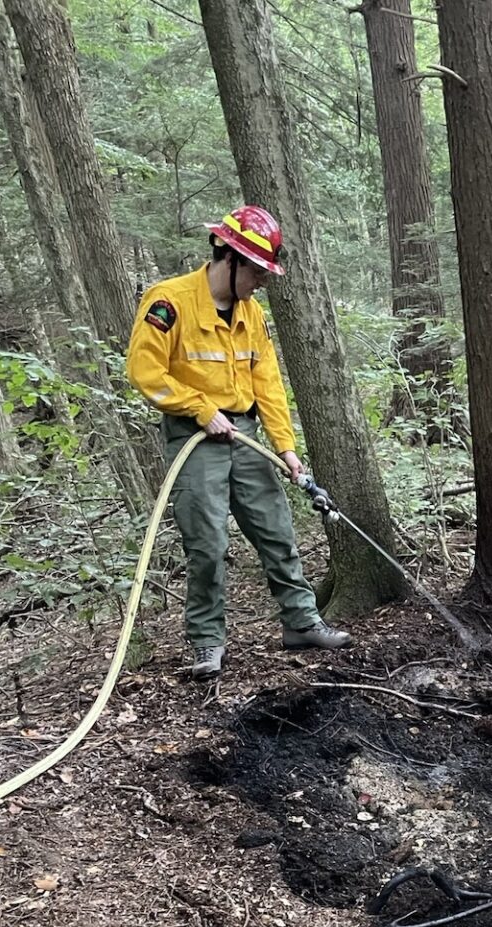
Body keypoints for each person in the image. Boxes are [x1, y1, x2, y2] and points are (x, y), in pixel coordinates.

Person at [126, 204, 350, 679]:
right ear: (229, 258)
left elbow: (267, 384)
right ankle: (207, 643)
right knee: (206, 543)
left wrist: (286, 448)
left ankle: (302, 622)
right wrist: (202, 409)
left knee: (276, 529)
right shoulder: (170, 302)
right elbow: (145, 372)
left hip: (245, 434)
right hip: (194, 437)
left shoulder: (251, 315)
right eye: (258, 271)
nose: (263, 282)